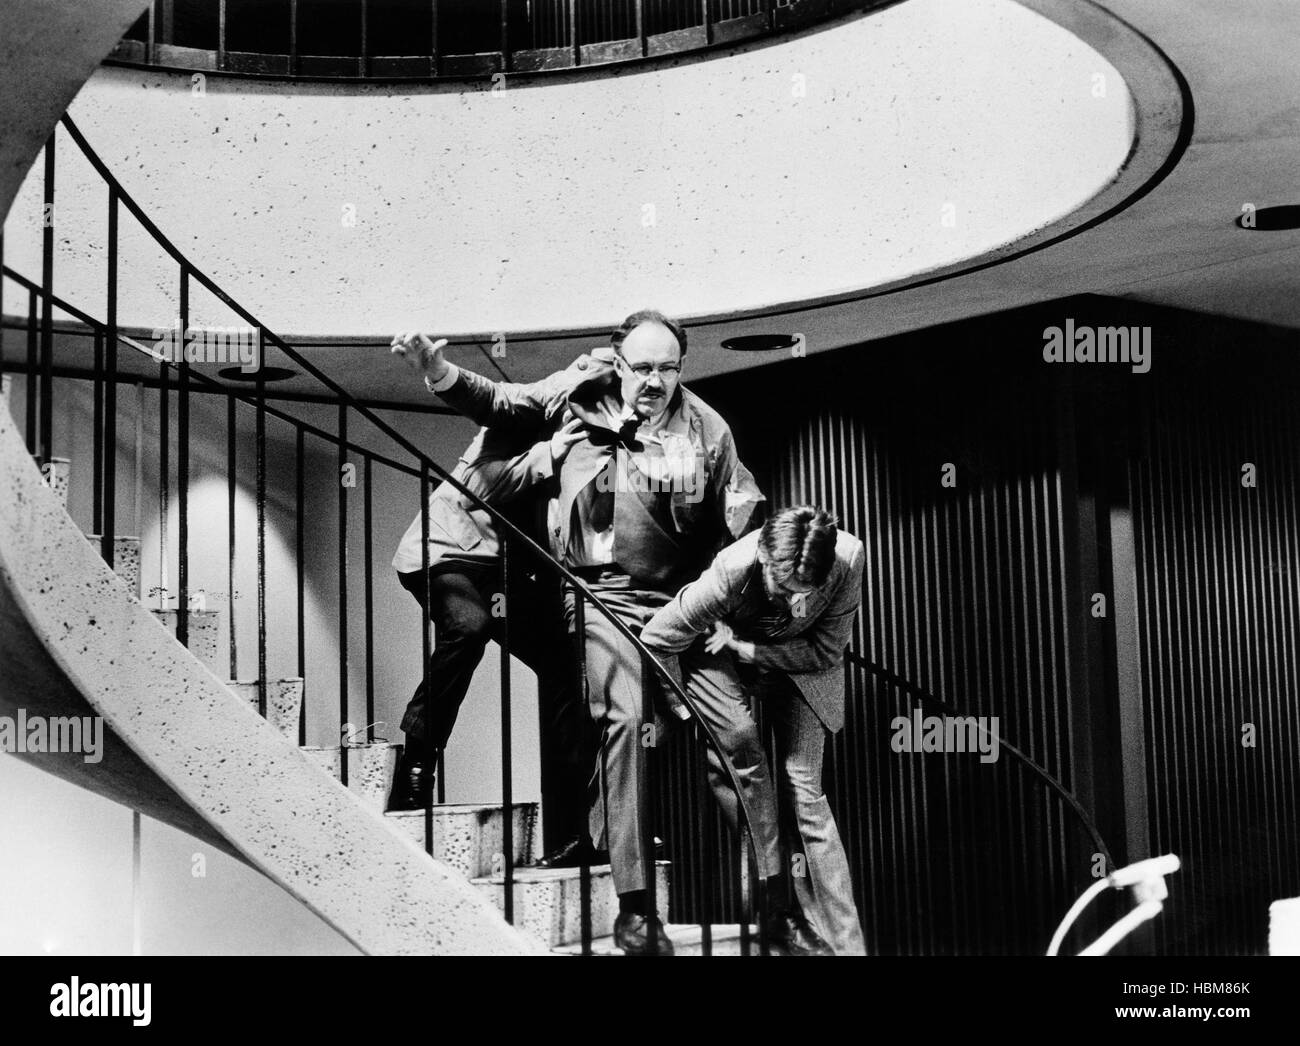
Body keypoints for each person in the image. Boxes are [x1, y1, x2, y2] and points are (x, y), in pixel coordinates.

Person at [400, 311, 830, 956]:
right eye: (643, 367)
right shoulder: (577, 391)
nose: (654, 381)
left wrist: (740, 615)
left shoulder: (708, 428)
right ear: (618, 361)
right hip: (601, 596)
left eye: (668, 368)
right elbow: (503, 403)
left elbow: (743, 522)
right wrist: (438, 371)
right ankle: (634, 911)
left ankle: (775, 907)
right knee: (625, 722)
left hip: (685, 602)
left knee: (739, 736)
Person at [386, 335, 606, 864]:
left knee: (563, 662)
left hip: (503, 570)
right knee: (468, 625)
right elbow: (483, 475)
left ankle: (573, 828)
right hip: (447, 550)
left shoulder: (601, 448)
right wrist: (438, 371)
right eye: (597, 398)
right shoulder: (535, 411)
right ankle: (416, 768)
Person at [641, 505, 869, 955]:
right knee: (745, 748)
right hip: (718, 649)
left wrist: (749, 651)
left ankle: (847, 947)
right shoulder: (731, 569)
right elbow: (658, 636)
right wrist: (682, 710)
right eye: (782, 588)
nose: (791, 601)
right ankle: (778, 910)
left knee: (805, 791)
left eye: (804, 592)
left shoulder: (849, 558)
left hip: (800, 664)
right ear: (764, 557)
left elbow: (825, 651)